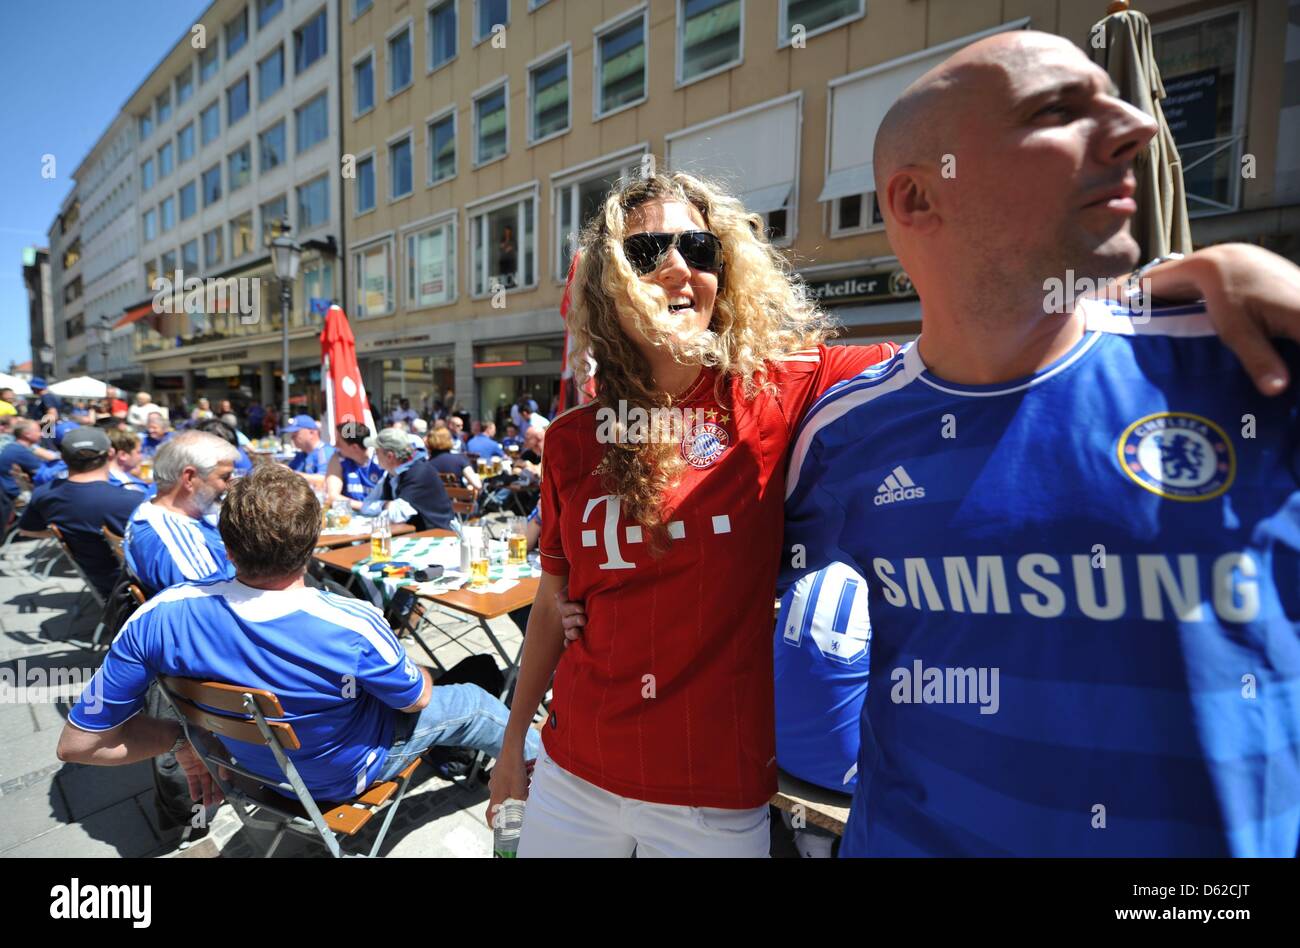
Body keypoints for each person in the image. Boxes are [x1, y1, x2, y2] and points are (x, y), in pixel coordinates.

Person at [778, 31, 1300, 857]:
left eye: (1118, 100)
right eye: (1058, 110)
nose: (1137, 126)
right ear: (916, 199)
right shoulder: (842, 437)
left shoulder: (1250, 357)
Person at [486, 170, 904, 858]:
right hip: (572, 768)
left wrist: (1117, 297)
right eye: (649, 252)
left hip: (710, 794)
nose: (680, 266)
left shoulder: (782, 390)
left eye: (699, 248)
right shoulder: (571, 440)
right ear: (610, 282)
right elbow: (552, 600)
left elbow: (944, 359)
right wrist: (512, 746)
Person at [57, 464, 540, 810]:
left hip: (254, 770)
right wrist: (420, 681)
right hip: (344, 774)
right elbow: (414, 702)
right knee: (474, 700)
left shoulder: (157, 616)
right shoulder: (353, 622)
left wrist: (186, 737)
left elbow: (78, 744)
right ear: (314, 545)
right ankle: (549, 782)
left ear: (224, 544)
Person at [17, 427, 143, 599]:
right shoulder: (133, 500)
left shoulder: (45, 494)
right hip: (136, 587)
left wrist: (66, 534)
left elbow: (26, 530)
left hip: (102, 580)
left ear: (63, 458)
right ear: (111, 453)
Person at [124, 431, 238, 597]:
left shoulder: (153, 506)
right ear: (189, 478)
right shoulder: (175, 539)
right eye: (225, 477)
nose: (230, 486)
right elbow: (217, 605)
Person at [360, 428, 453, 531]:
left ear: (390, 456)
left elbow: (397, 515)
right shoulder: (392, 473)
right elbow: (366, 505)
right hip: (412, 533)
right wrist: (385, 504)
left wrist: (383, 506)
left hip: (439, 536)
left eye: (377, 452)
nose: (375, 455)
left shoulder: (419, 473)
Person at [324, 422, 385, 510]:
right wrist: (366, 507)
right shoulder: (338, 458)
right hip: (350, 516)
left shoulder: (380, 460)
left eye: (339, 442)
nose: (335, 445)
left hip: (380, 518)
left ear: (354, 447)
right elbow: (332, 497)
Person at [0, 419, 59, 501]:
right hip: (17, 498)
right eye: (38, 431)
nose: (41, 434)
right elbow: (46, 474)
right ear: (27, 434)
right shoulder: (19, 451)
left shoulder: (16, 447)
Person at [282, 415, 334, 487]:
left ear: (311, 433)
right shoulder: (301, 455)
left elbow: (323, 479)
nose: (292, 438)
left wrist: (291, 473)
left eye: (296, 434)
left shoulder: (325, 451)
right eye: (292, 435)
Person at [106, 428, 154, 494]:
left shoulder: (125, 477)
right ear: (123, 455)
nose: (141, 457)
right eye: (139, 452)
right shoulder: (113, 485)